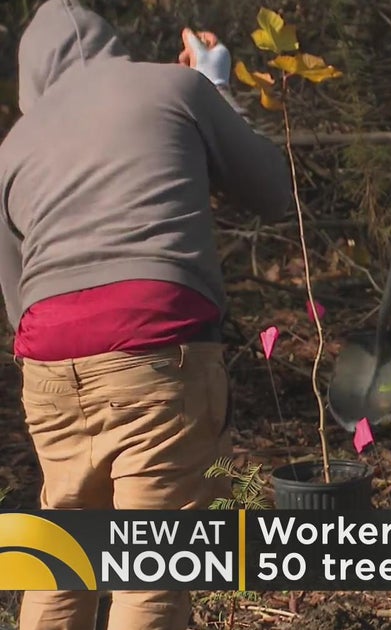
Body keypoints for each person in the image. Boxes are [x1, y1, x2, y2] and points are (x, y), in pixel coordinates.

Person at [0, 2, 291, 629]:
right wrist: (215, 85)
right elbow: (274, 189)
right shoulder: (176, 86)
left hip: (49, 368)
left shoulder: (13, 146)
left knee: (62, 554)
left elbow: (15, 296)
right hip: (154, 352)